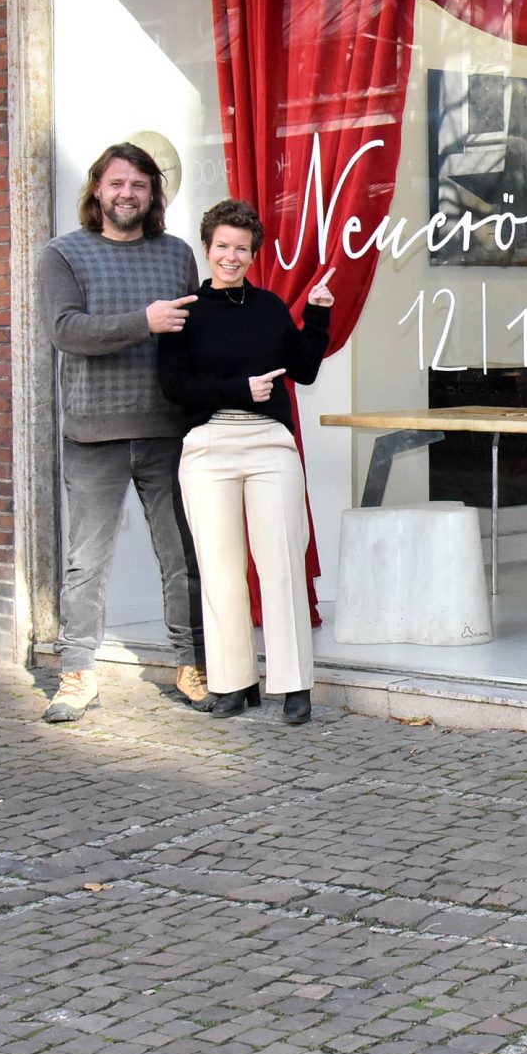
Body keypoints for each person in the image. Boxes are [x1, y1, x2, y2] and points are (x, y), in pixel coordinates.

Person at [36, 142, 208, 725]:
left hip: (168, 431)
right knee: (86, 563)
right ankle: (77, 673)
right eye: (117, 183)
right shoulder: (63, 253)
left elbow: (192, 339)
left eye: (139, 184)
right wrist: (144, 322)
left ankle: (191, 664)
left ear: (153, 194)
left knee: (182, 556)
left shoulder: (177, 255)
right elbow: (66, 331)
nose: (127, 193)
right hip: (94, 435)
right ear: (97, 190)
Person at [158, 199, 333, 725]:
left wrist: (317, 315)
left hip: (269, 445)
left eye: (241, 248)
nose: (231, 257)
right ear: (207, 248)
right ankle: (233, 683)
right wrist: (240, 389)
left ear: (253, 254)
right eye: (222, 246)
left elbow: (303, 370)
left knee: (281, 563)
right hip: (207, 446)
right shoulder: (185, 314)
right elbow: (174, 387)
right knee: (219, 569)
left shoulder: (270, 307)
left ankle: (294, 683)